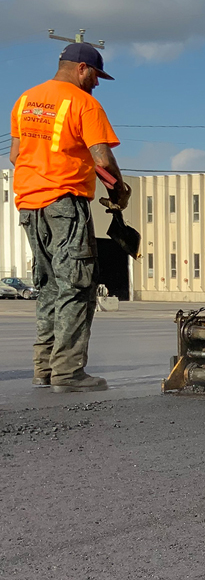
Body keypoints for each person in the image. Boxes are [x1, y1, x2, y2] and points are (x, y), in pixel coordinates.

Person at [8, 43, 130, 393]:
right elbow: (103, 159)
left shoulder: (26, 100)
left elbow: (17, 155)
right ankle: (68, 372)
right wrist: (118, 189)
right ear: (81, 68)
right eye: (95, 75)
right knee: (77, 285)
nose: (97, 83)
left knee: (48, 286)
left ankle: (43, 368)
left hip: (30, 206)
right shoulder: (84, 103)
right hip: (65, 203)